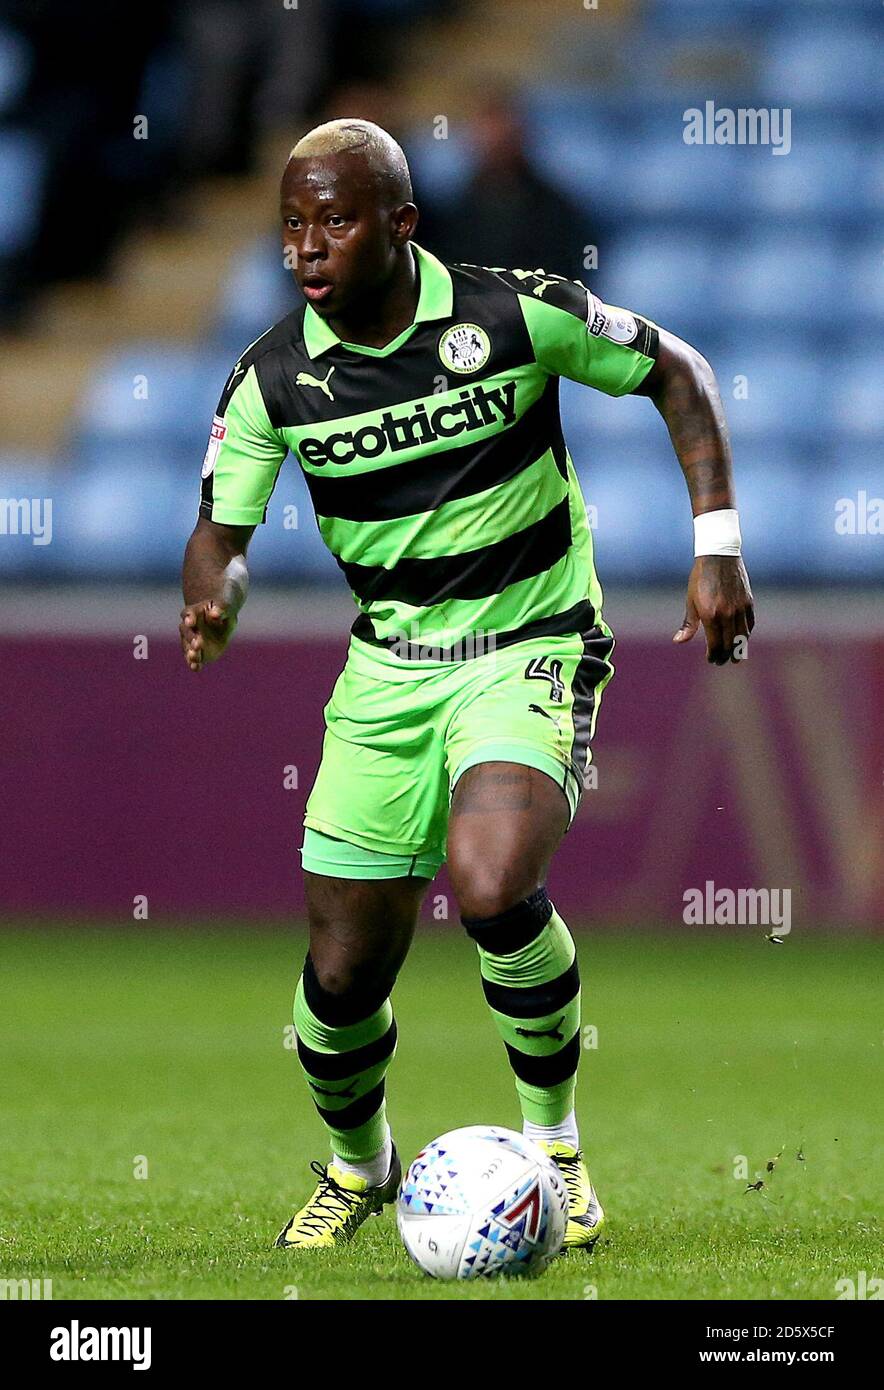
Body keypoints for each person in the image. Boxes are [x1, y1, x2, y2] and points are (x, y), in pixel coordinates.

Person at [180, 118, 754, 1252]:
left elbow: (676, 373)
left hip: (529, 641)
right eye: (292, 223)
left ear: (400, 224)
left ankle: (554, 1150)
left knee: (490, 887)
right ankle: (360, 1165)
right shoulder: (271, 379)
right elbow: (216, 530)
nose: (307, 245)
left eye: (335, 219)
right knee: (338, 981)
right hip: (387, 672)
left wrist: (718, 548)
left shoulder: (511, 312)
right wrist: (218, 591)